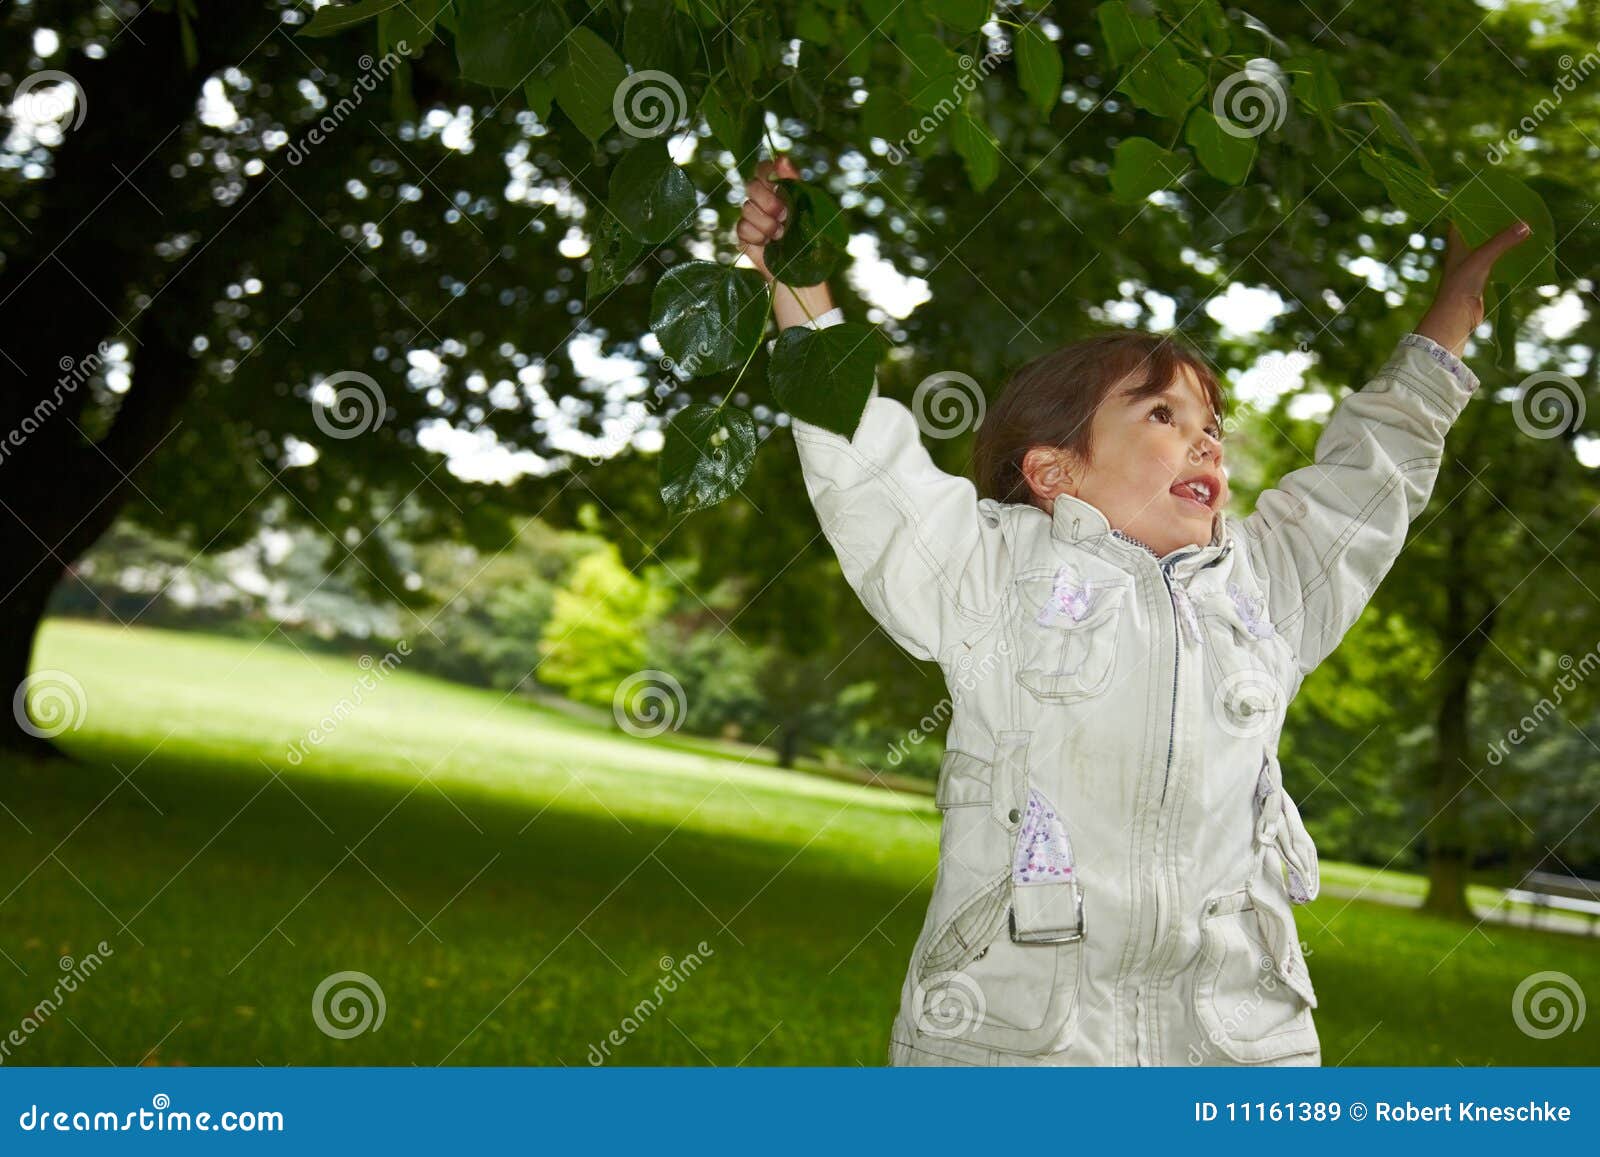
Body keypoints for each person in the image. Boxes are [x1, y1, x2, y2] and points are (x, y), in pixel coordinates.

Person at [737, 155, 1530, 1066]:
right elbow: (858, 455)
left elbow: (1371, 474)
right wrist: (800, 287)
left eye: (1213, 427)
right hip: (1021, 1048)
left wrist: (1451, 319)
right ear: (1054, 470)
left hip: (1236, 1044)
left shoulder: (1266, 588)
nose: (1205, 438)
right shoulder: (990, 575)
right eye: (1161, 414)